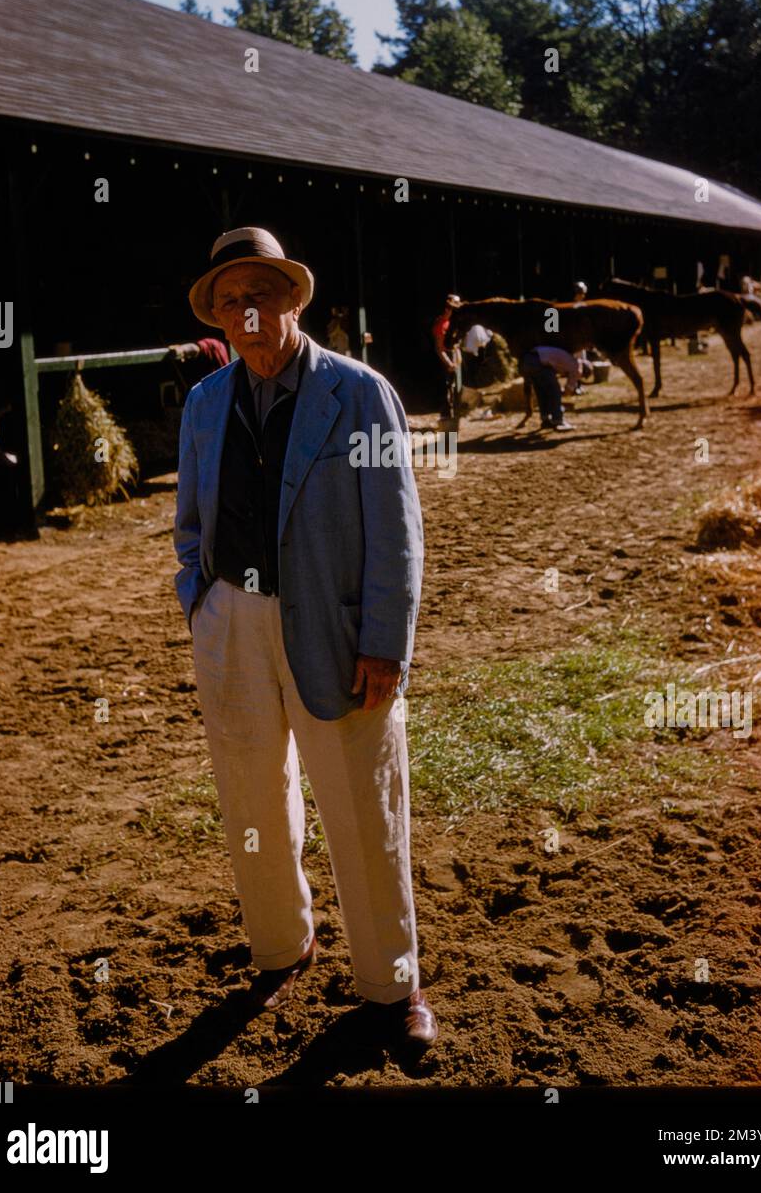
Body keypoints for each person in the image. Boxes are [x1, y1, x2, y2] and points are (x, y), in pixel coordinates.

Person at [173, 225, 437, 1049]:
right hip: (232, 623)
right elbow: (189, 521)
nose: (245, 311)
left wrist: (385, 640)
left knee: (362, 801)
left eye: (259, 293)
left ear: (293, 299)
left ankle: (391, 985)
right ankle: (281, 946)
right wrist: (200, 602)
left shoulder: (359, 393)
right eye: (228, 300)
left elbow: (396, 529)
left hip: (335, 625)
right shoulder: (204, 401)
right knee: (249, 793)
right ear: (217, 318)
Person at [519, 344, 579, 431]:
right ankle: (558, 420)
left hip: (527, 359)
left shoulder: (567, 359)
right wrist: (563, 392)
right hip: (539, 362)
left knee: (541, 391)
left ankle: (545, 419)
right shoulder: (575, 365)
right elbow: (569, 388)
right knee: (554, 391)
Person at [431, 293, 463, 426]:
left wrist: (458, 358)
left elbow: (456, 344)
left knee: (455, 389)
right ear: (446, 309)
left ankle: (455, 418)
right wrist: (448, 363)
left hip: (454, 357)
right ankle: (446, 419)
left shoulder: (452, 323)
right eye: (452, 308)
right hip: (445, 358)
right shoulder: (440, 324)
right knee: (446, 388)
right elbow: (439, 348)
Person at [460, 320, 493, 387]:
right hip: (472, 352)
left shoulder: (475, 329)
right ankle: (472, 382)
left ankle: (471, 381)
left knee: (471, 368)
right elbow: (481, 344)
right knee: (473, 368)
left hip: (470, 351)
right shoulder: (479, 330)